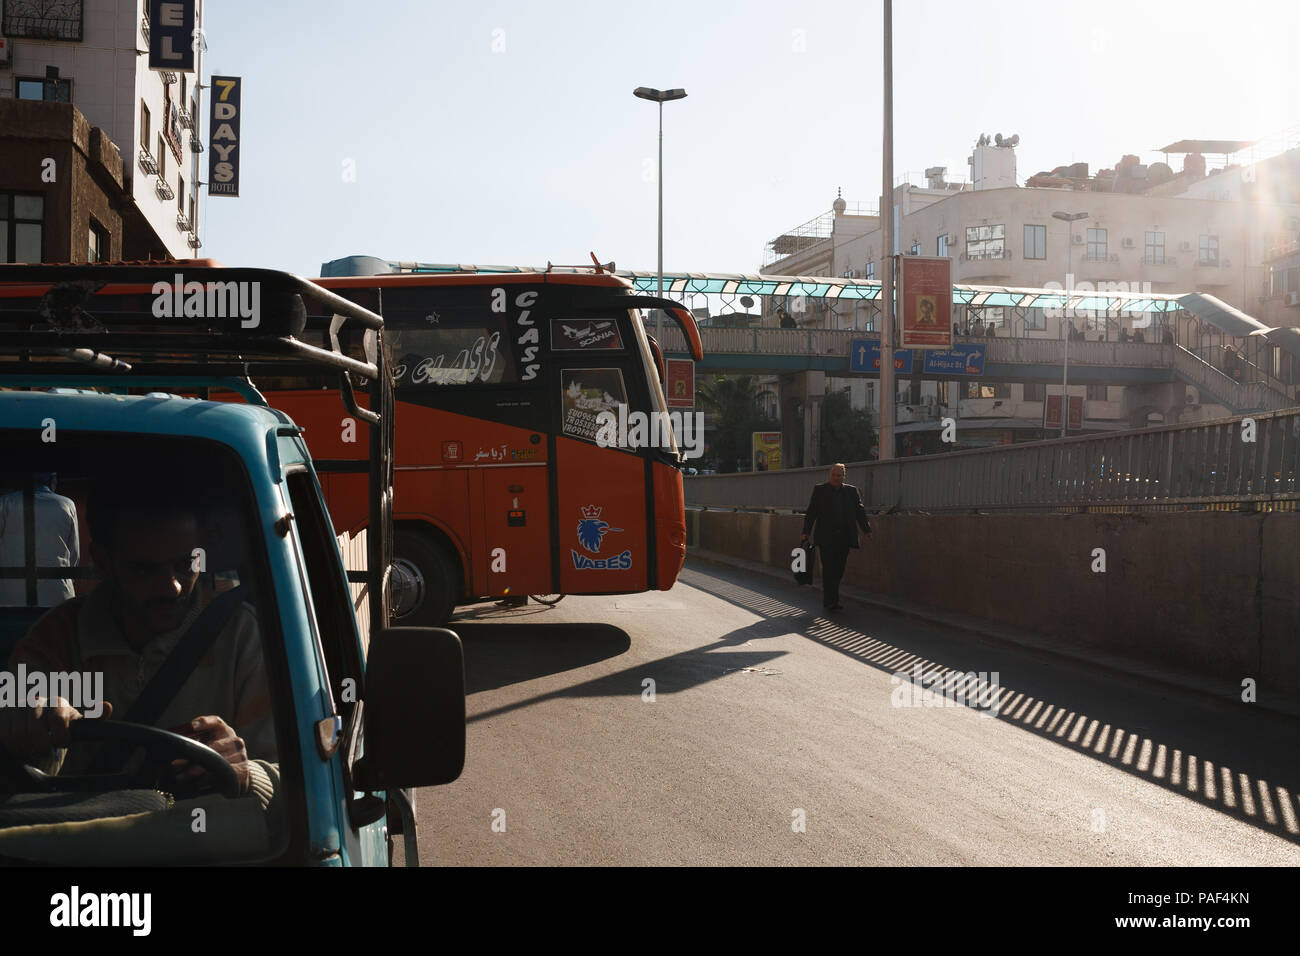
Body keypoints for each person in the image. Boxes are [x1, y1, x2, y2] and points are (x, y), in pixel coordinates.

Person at [0, 477, 276, 802]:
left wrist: (248, 774)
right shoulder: (55, 638)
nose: (171, 587)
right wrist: (34, 728)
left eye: (185, 563)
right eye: (144, 569)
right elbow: (19, 767)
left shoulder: (245, 637)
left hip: (208, 847)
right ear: (103, 561)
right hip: (76, 841)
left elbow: (307, 785)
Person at [800, 463, 872, 612]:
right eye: (833, 475)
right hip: (826, 538)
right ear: (829, 475)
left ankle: (833, 597)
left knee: (839, 570)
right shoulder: (820, 490)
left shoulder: (851, 492)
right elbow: (811, 512)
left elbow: (860, 512)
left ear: (843, 476)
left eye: (839, 475)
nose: (835, 478)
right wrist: (806, 531)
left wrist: (866, 530)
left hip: (844, 538)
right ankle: (830, 601)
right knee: (828, 569)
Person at [0, 473, 79, 608]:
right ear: (52, 481)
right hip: (58, 593)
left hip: (12, 594)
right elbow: (74, 553)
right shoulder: (66, 504)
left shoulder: (6, 502)